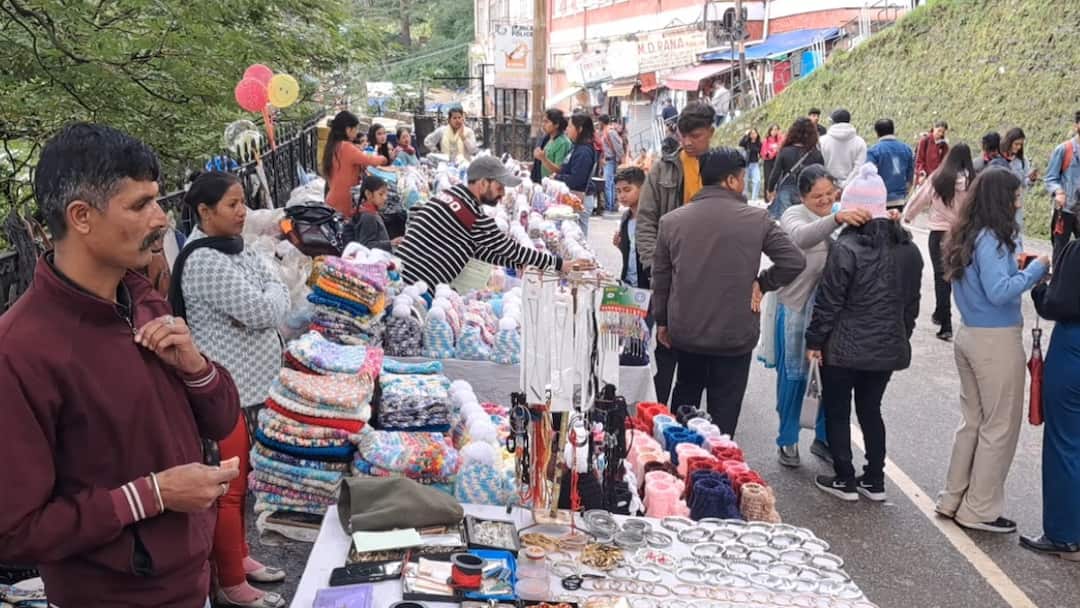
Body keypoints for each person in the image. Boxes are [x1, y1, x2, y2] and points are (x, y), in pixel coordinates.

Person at [0, 123, 241, 606]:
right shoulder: (19, 350)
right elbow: (15, 533)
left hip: (192, 580)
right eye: (139, 205)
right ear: (81, 217)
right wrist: (152, 494)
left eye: (157, 199)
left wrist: (196, 368)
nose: (160, 219)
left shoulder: (143, 298)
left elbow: (220, 419)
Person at [169, 172, 290, 608]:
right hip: (225, 391)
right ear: (204, 212)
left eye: (243, 203)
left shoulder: (235, 249)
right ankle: (230, 584)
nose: (242, 212)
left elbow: (275, 289)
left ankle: (239, 556)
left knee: (239, 485)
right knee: (227, 489)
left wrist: (270, 294)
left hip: (250, 388)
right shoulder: (202, 260)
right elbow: (262, 309)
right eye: (232, 205)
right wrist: (269, 296)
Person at [653, 147, 805, 436]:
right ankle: (718, 468)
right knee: (724, 415)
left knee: (685, 397)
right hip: (734, 335)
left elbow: (661, 278)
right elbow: (794, 261)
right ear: (732, 181)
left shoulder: (672, 221)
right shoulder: (756, 220)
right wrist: (763, 282)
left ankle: (677, 463)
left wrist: (662, 320)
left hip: (686, 331)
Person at [936, 167, 1049, 533]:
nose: (1019, 202)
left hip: (970, 334)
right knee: (999, 427)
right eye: (1016, 196)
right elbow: (1000, 291)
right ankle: (979, 510)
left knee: (973, 422)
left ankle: (953, 498)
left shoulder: (966, 234)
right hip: (996, 340)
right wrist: (1035, 272)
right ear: (1002, 200)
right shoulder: (993, 240)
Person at [806, 163, 923, 501]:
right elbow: (911, 305)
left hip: (843, 348)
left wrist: (815, 341)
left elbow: (828, 303)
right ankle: (875, 478)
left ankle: (845, 478)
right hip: (887, 346)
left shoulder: (846, 248)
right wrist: (902, 333)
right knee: (871, 409)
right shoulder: (909, 249)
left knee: (839, 410)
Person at [772, 165, 872, 468]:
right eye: (818, 196)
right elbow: (802, 238)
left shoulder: (843, 210)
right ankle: (787, 439)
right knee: (794, 376)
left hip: (832, 312)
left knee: (832, 376)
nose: (826, 200)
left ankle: (825, 438)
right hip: (796, 308)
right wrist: (836, 219)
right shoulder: (793, 216)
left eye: (830, 194)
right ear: (802, 197)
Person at [398, 156, 589, 289]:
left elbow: (478, 250)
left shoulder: (452, 196)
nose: (503, 194)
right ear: (482, 183)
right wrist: (559, 264)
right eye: (499, 187)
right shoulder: (467, 212)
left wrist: (518, 263)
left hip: (407, 279)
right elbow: (508, 247)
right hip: (415, 283)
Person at [637, 102, 716, 405]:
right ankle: (653, 414)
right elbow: (646, 220)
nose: (687, 142)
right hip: (669, 272)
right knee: (663, 349)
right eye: (684, 135)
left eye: (695, 136)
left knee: (695, 359)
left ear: (711, 132)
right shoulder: (664, 169)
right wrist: (651, 263)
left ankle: (685, 419)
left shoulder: (721, 168)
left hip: (707, 276)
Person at [1024, 240, 1080, 560]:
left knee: (1064, 443)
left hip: (1073, 346)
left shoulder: (1075, 251)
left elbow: (1058, 304)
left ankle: (1063, 534)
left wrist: (1040, 288)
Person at [904, 143, 975, 342]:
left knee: (941, 276)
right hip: (962, 233)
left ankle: (945, 323)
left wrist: (908, 216)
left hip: (939, 233)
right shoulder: (974, 181)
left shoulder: (938, 177)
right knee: (961, 275)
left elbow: (921, 198)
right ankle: (969, 319)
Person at [323, 111, 388, 216]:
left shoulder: (333, 145)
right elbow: (370, 160)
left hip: (333, 198)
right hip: (343, 202)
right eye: (356, 129)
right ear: (348, 129)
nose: (357, 132)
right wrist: (383, 158)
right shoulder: (346, 147)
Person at [766, 117, 824, 220]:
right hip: (807, 193)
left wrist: (770, 190)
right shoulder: (816, 154)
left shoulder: (785, 151)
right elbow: (821, 177)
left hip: (786, 192)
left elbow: (775, 173)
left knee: (786, 224)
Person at [554, 113, 599, 234]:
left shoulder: (584, 151)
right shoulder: (577, 147)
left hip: (580, 198)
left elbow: (577, 179)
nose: (567, 130)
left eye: (570, 126)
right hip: (575, 196)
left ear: (579, 129)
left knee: (577, 238)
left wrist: (557, 177)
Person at [1046, 112, 1080, 262]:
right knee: (1060, 252)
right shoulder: (1064, 149)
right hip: (1065, 210)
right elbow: (1050, 177)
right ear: (1076, 125)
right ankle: (1057, 283)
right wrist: (1058, 191)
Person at [866, 118, 915, 209]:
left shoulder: (873, 151)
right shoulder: (907, 149)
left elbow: (869, 176)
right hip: (900, 199)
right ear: (893, 130)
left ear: (877, 133)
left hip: (880, 200)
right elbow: (910, 176)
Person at [612, 166, 647, 287]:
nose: (622, 195)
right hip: (628, 284)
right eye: (618, 191)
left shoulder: (652, 220)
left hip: (647, 286)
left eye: (627, 190)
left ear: (642, 189)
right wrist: (621, 246)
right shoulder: (626, 218)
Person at [342, 175, 396, 253]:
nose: (385, 198)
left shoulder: (368, 211)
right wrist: (391, 243)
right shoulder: (368, 216)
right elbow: (366, 245)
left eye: (386, 194)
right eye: (381, 194)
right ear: (368, 194)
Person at [819, 109, 867, 188]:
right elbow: (859, 168)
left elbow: (819, 166)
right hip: (852, 188)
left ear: (832, 122)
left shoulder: (822, 141)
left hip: (827, 189)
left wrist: (832, 183)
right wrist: (846, 185)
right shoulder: (860, 142)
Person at [532, 108, 572, 181]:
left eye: (546, 122)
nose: (543, 124)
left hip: (553, 185)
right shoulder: (547, 139)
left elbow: (559, 170)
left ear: (556, 124)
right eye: (543, 121)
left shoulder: (563, 142)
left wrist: (543, 159)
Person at [599, 115, 626, 212]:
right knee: (610, 184)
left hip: (611, 160)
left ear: (602, 122)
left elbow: (618, 147)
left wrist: (621, 159)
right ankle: (611, 206)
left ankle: (609, 207)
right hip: (608, 161)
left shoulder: (610, 132)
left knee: (608, 184)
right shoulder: (606, 131)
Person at [915, 120, 950, 185]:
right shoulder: (925, 140)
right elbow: (919, 160)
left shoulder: (943, 145)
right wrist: (921, 174)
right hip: (924, 178)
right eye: (939, 131)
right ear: (934, 128)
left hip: (936, 179)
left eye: (943, 132)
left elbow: (944, 162)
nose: (940, 134)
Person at [739, 128, 764, 201]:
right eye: (751, 133)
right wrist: (745, 135)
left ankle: (754, 199)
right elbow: (740, 143)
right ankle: (744, 199)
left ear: (757, 134)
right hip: (746, 164)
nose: (753, 135)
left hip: (755, 164)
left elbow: (761, 152)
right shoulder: (746, 142)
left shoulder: (759, 143)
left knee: (757, 180)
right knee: (745, 182)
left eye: (755, 133)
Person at [761, 124, 784, 201]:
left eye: (776, 130)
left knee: (777, 178)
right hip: (768, 161)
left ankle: (777, 196)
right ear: (770, 131)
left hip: (777, 160)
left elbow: (781, 146)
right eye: (773, 130)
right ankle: (767, 197)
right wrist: (772, 152)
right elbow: (763, 152)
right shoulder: (766, 140)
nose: (775, 131)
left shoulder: (780, 139)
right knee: (768, 178)